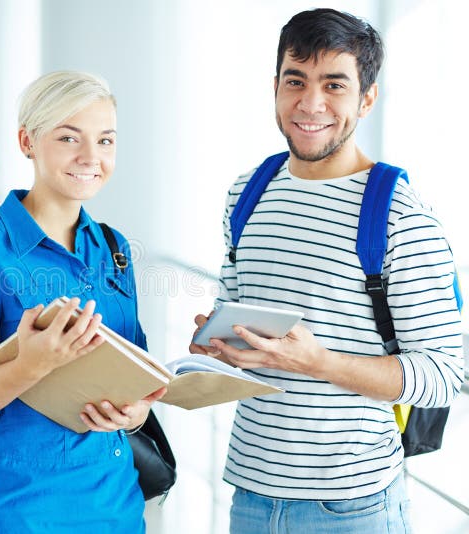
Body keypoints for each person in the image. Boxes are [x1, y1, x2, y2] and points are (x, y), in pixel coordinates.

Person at [189, 9, 464, 533]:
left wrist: (320, 362)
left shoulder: (400, 214)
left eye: (334, 85)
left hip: (352, 506)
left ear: (366, 98)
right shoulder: (246, 193)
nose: (310, 103)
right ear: (275, 87)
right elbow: (242, 318)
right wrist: (219, 345)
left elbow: (445, 376)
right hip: (250, 490)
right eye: (296, 81)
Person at [0, 71, 166, 532]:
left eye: (105, 141)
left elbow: (131, 369)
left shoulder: (114, 248)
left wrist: (138, 410)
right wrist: (29, 366)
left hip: (117, 507)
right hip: (22, 511)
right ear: (27, 141)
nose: (90, 158)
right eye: (68, 138)